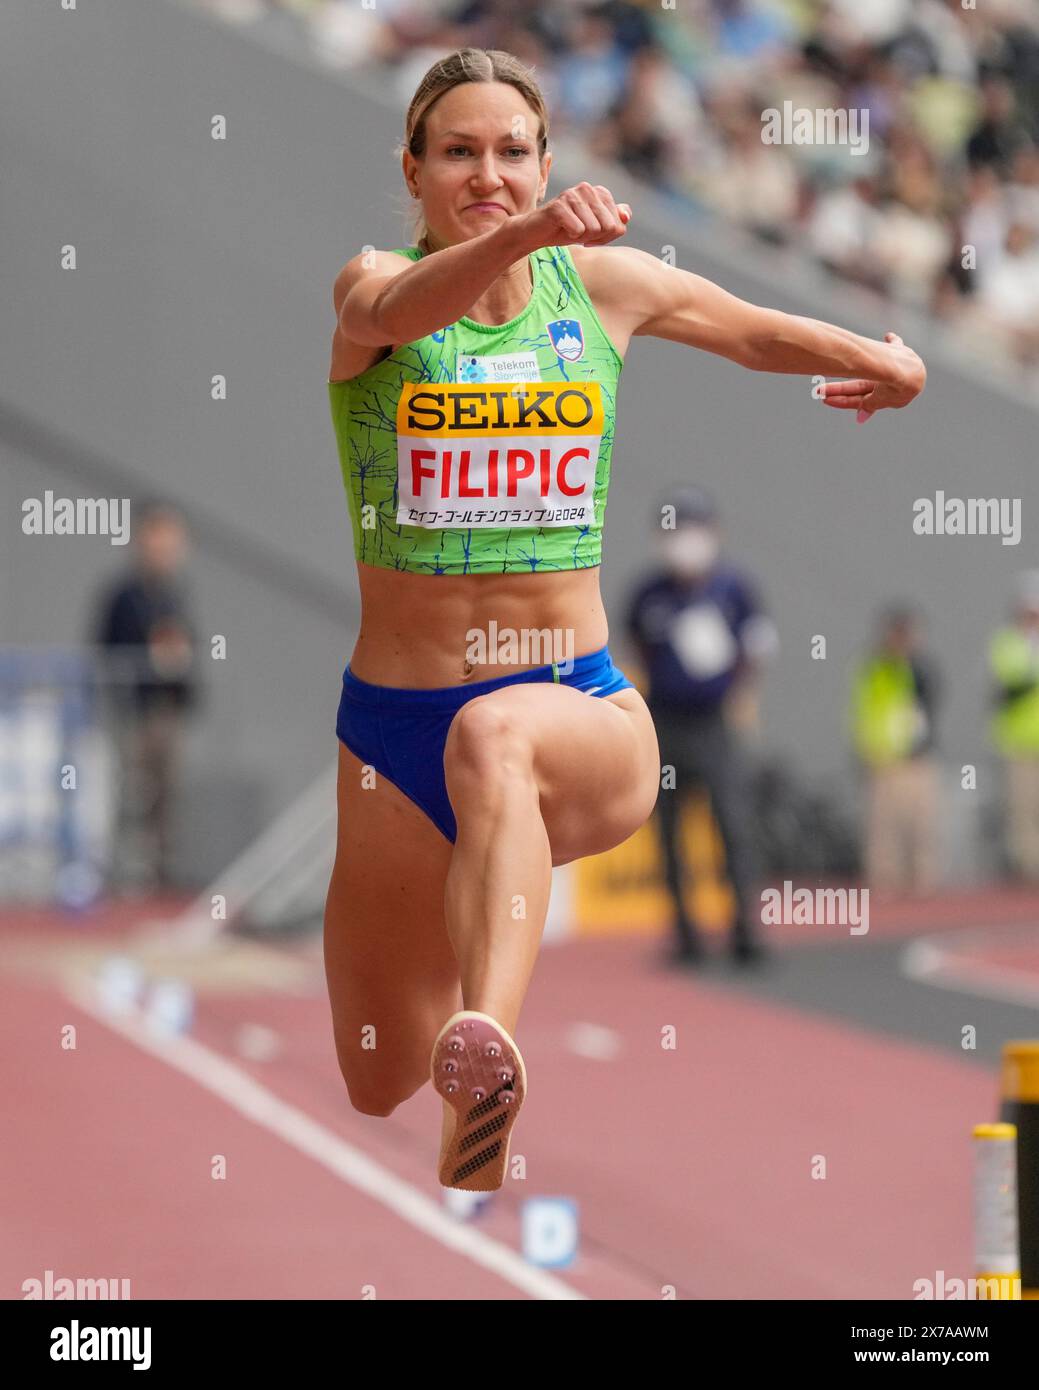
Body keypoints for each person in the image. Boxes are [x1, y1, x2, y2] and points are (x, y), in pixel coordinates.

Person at [324, 47, 927, 1192]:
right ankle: (449, 1053)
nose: (488, 174)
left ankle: (486, 1059)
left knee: (495, 734)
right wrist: (524, 234)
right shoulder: (372, 289)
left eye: (512, 152)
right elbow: (405, 305)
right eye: (458, 152)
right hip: (391, 737)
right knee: (373, 1071)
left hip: (576, 710)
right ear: (412, 169)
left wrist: (883, 361)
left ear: (546, 159)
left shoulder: (600, 288)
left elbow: (747, 329)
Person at [626, 485, 778, 966]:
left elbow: (756, 648)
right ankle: (686, 933)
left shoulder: (735, 589)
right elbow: (636, 652)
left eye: (694, 529)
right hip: (665, 724)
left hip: (716, 724)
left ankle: (745, 929)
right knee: (668, 832)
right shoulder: (648, 594)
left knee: (733, 824)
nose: (685, 541)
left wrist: (743, 703)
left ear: (714, 533)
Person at [93, 501, 200, 892]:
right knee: (131, 791)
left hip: (166, 711)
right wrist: (147, 658)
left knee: (166, 796)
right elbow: (105, 651)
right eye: (159, 539)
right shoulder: (123, 596)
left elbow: (189, 653)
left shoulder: (176, 595)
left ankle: (161, 874)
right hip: (133, 712)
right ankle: (122, 874)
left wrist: (178, 662)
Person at [848, 604, 942, 895]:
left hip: (917, 756)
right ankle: (884, 880)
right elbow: (862, 710)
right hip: (884, 756)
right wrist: (865, 749)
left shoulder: (921, 667)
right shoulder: (875, 667)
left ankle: (924, 880)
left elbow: (931, 702)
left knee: (922, 823)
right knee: (883, 825)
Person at [989, 573, 1039, 881]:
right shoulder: (1008, 642)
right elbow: (1011, 685)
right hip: (1020, 743)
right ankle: (1030, 870)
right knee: (1023, 809)